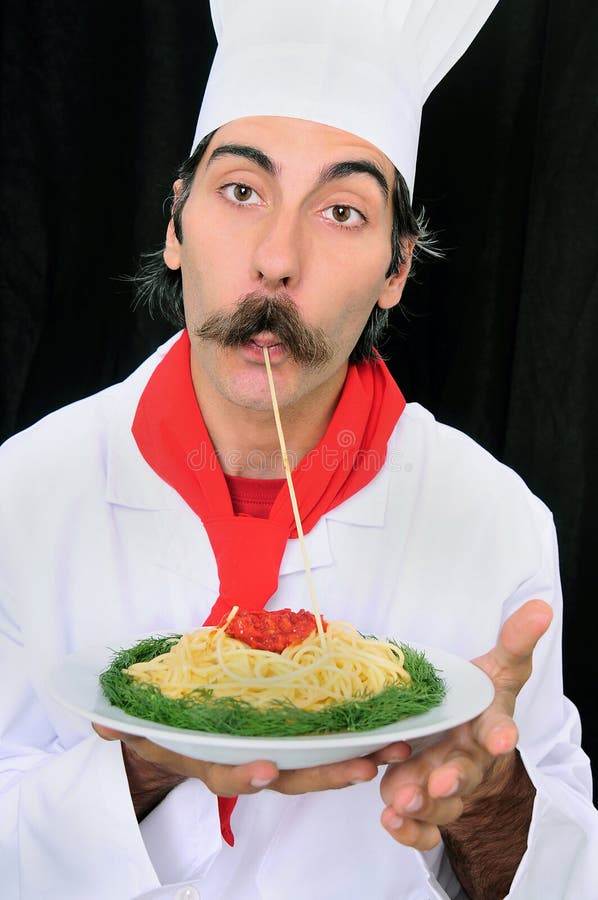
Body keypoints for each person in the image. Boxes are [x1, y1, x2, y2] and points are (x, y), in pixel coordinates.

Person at [1, 2, 597, 899]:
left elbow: (568, 880)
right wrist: (149, 758)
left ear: (397, 268)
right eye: (242, 191)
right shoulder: (23, 493)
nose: (277, 259)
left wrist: (488, 800)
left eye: (343, 211)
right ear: (175, 224)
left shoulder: (496, 522)